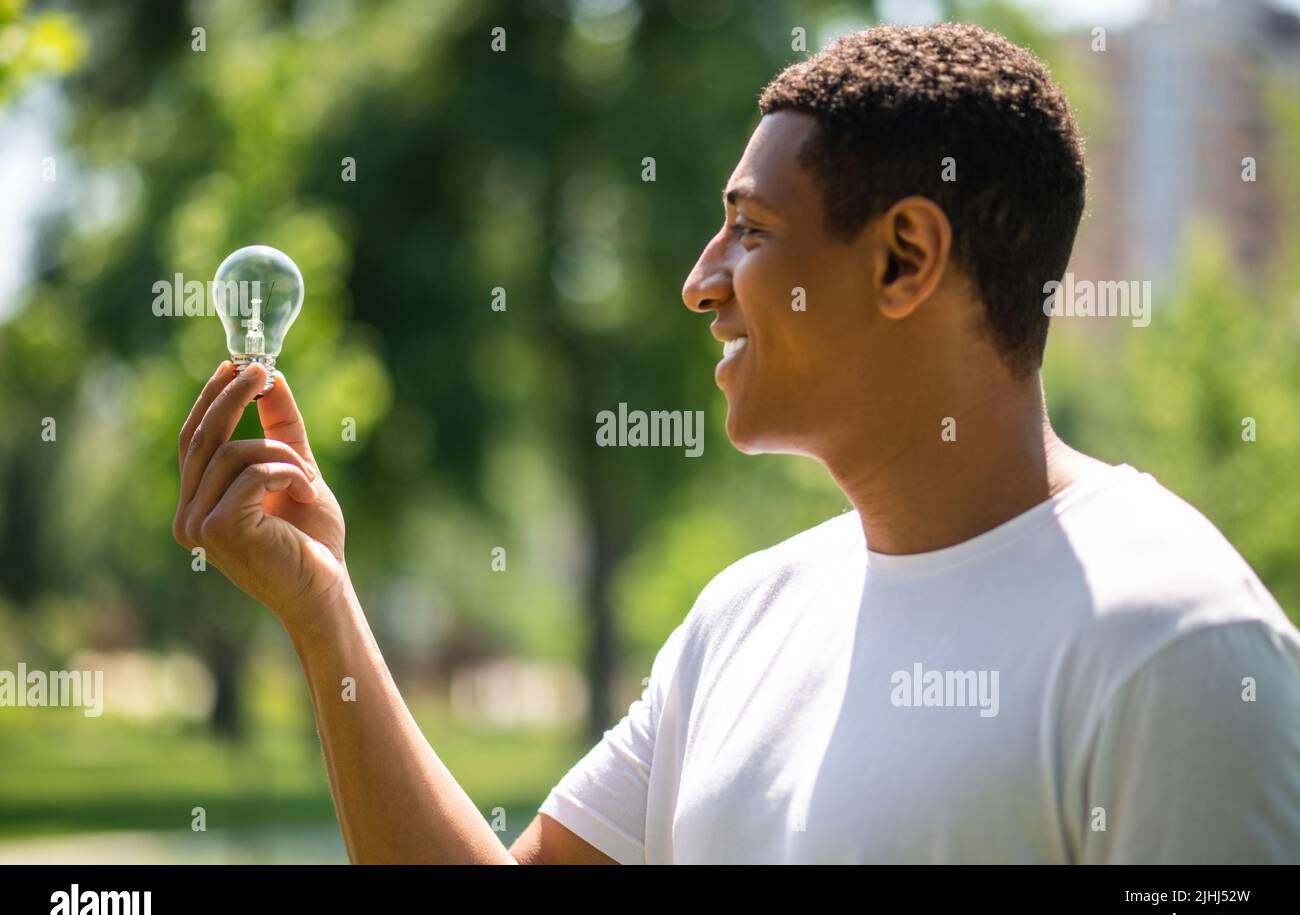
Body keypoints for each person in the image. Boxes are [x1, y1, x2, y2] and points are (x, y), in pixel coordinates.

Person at [172, 23, 1300, 863]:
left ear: (905, 256)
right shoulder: (740, 619)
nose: (698, 281)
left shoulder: (1175, 648)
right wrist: (323, 613)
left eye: (749, 232)